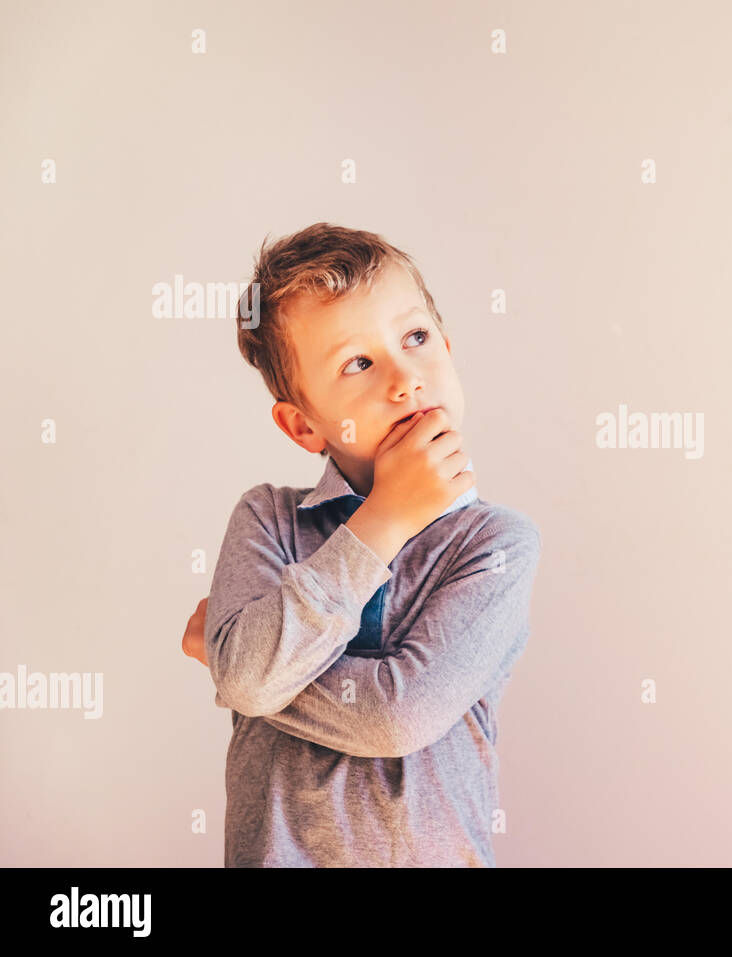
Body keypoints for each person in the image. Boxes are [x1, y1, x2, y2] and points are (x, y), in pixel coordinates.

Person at [179, 222, 541, 866]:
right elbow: (247, 678)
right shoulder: (268, 520)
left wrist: (236, 667)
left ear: (449, 351)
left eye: (417, 338)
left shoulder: (496, 543)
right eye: (359, 363)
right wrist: (384, 519)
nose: (406, 379)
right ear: (303, 425)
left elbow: (396, 718)